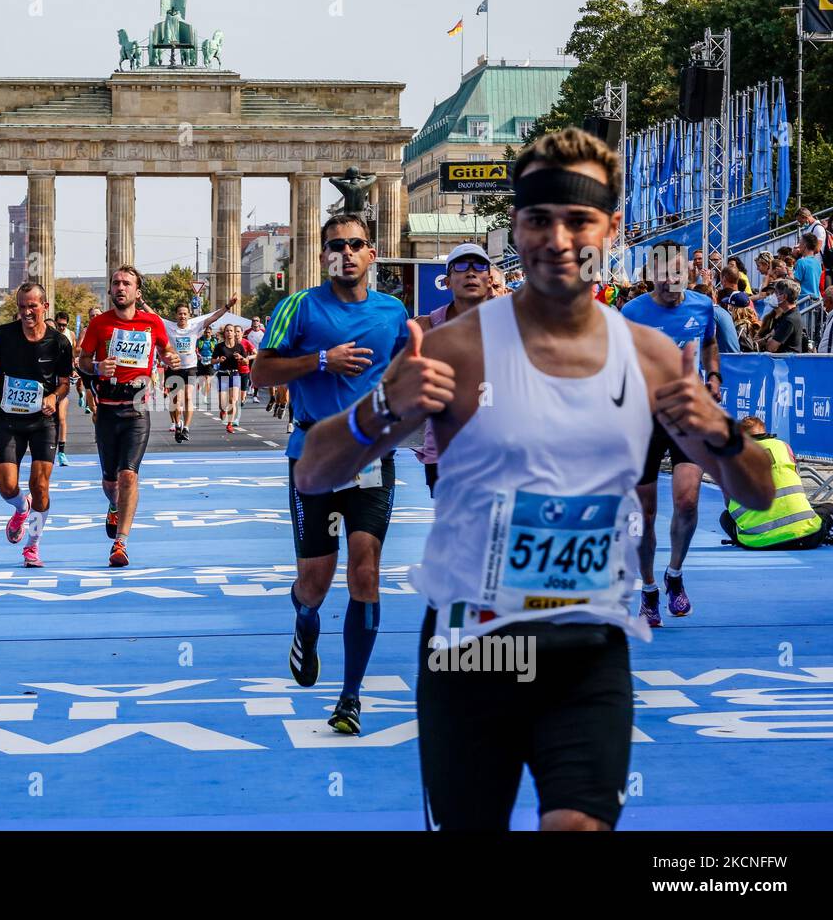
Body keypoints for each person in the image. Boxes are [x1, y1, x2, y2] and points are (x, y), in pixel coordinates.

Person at [294, 127, 774, 829]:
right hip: (471, 651)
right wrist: (379, 408)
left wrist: (724, 434)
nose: (558, 239)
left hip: (588, 651)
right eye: (538, 219)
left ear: (611, 228)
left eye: (578, 219)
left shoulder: (651, 358)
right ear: (514, 230)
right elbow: (314, 473)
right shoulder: (457, 349)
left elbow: (758, 495)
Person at [251, 213, 411, 736]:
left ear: (372, 254)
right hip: (313, 452)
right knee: (315, 584)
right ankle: (304, 618)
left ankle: (350, 697)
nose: (346, 253)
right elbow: (260, 372)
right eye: (335, 245)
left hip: (370, 456)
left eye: (356, 244)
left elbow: (405, 374)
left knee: (365, 572)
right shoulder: (298, 306)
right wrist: (321, 360)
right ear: (322, 255)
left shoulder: (393, 312)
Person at [621, 245, 721, 627]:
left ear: (688, 276)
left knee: (688, 501)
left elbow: (710, 344)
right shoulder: (632, 313)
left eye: (677, 273)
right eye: (663, 274)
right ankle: (648, 590)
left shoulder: (703, 306)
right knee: (644, 515)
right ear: (651, 277)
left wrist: (713, 376)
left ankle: (674, 576)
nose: (670, 281)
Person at [77, 265, 177, 567]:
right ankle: (113, 506)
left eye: (126, 283)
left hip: (136, 408)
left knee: (129, 475)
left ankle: (121, 543)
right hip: (107, 409)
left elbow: (166, 349)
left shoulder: (152, 323)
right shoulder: (99, 325)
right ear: (110, 290)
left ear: (137, 292)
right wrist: (96, 367)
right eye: (116, 283)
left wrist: (169, 357)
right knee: (110, 483)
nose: (120, 288)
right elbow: (82, 359)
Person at [0, 283, 73, 567]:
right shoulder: (4, 334)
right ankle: (21, 507)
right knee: (7, 487)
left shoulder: (59, 342)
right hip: (10, 420)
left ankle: (32, 546)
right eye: (21, 306)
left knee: (40, 485)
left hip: (43, 422)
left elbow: (65, 384)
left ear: (45, 306)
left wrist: (54, 398)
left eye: (32, 306)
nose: (26, 312)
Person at [412, 242, 493, 496]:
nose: (470, 272)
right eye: (461, 266)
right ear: (446, 281)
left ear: (489, 279)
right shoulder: (424, 327)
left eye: (479, 266)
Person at [719, 417, 833, 549]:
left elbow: (728, 503)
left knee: (725, 518)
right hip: (807, 537)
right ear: (765, 432)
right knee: (830, 509)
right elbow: (795, 481)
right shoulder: (783, 447)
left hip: (758, 543)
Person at [164, 296, 236, 443]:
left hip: (190, 367)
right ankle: (178, 424)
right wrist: (141, 302)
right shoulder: (169, 326)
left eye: (185, 313)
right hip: (174, 367)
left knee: (188, 397)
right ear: (176, 315)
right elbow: (153, 315)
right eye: (180, 313)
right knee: (175, 400)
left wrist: (228, 306)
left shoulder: (194, 326)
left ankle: (186, 428)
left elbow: (214, 317)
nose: (182, 316)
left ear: (189, 315)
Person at [213, 324, 245, 433]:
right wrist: (218, 360)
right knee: (223, 403)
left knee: (233, 400)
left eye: (231, 331)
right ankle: (222, 411)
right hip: (223, 374)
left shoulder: (239, 347)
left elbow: (245, 361)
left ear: (234, 333)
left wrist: (241, 358)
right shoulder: (219, 346)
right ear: (225, 333)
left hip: (235, 374)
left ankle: (230, 424)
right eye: (227, 331)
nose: (230, 332)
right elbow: (212, 361)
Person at [53, 310, 75, 464]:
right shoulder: (45, 338)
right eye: (59, 325)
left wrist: (72, 368)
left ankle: (61, 452)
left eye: (64, 326)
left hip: (61, 384)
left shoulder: (69, 337)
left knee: (61, 417)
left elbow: (72, 355)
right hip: (44, 386)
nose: (61, 328)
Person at [763, 281, 804, 353]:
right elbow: (771, 334)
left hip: (786, 362)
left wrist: (768, 339)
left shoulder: (790, 319)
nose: (773, 296)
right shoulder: (785, 315)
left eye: (775, 293)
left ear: (784, 297)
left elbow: (771, 347)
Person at [793, 233, 823, 304]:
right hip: (816, 300)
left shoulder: (801, 262)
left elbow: (796, 285)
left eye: (800, 243)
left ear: (805, 245)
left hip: (804, 301)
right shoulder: (817, 263)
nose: (798, 246)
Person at [816, 287, 833, 353]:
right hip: (827, 360)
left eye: (824, 299)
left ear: (829, 300)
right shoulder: (832, 315)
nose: (823, 303)